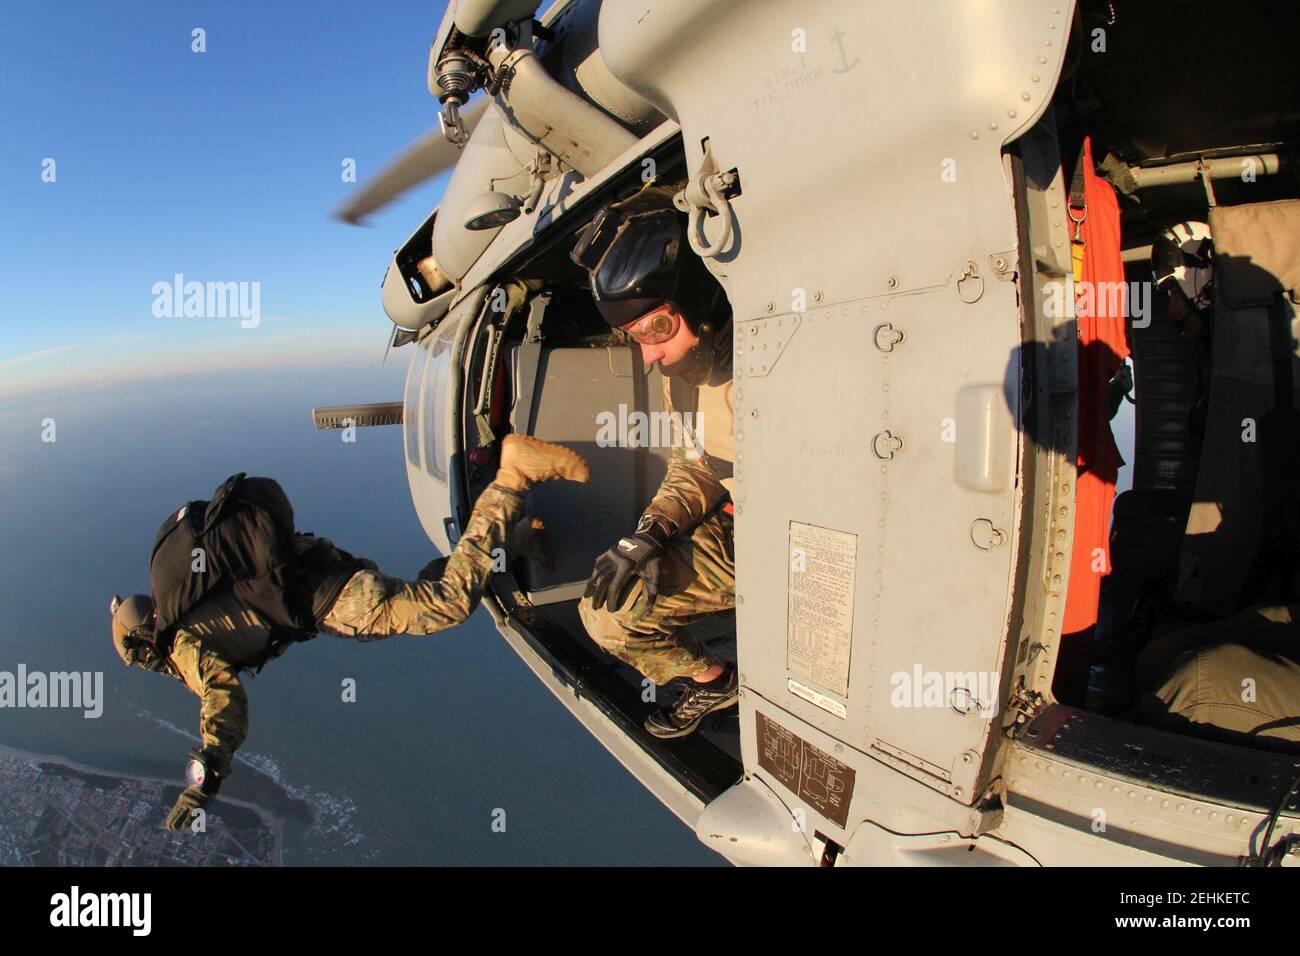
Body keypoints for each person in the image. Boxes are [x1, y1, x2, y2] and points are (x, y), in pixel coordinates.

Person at [110, 434, 588, 829]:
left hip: (325, 594)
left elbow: (222, 696)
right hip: (318, 578)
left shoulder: (181, 643)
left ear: (144, 649)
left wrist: (207, 776)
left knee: (445, 606)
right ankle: (517, 536)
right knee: (405, 608)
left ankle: (513, 477)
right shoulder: (191, 609)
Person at [571, 186, 738, 739]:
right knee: (609, 612)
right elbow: (695, 466)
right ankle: (716, 682)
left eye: (657, 329)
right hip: (742, 534)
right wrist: (649, 534)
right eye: (634, 336)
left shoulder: (792, 358)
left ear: (703, 300)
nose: (649, 354)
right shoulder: (688, 380)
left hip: (815, 544)